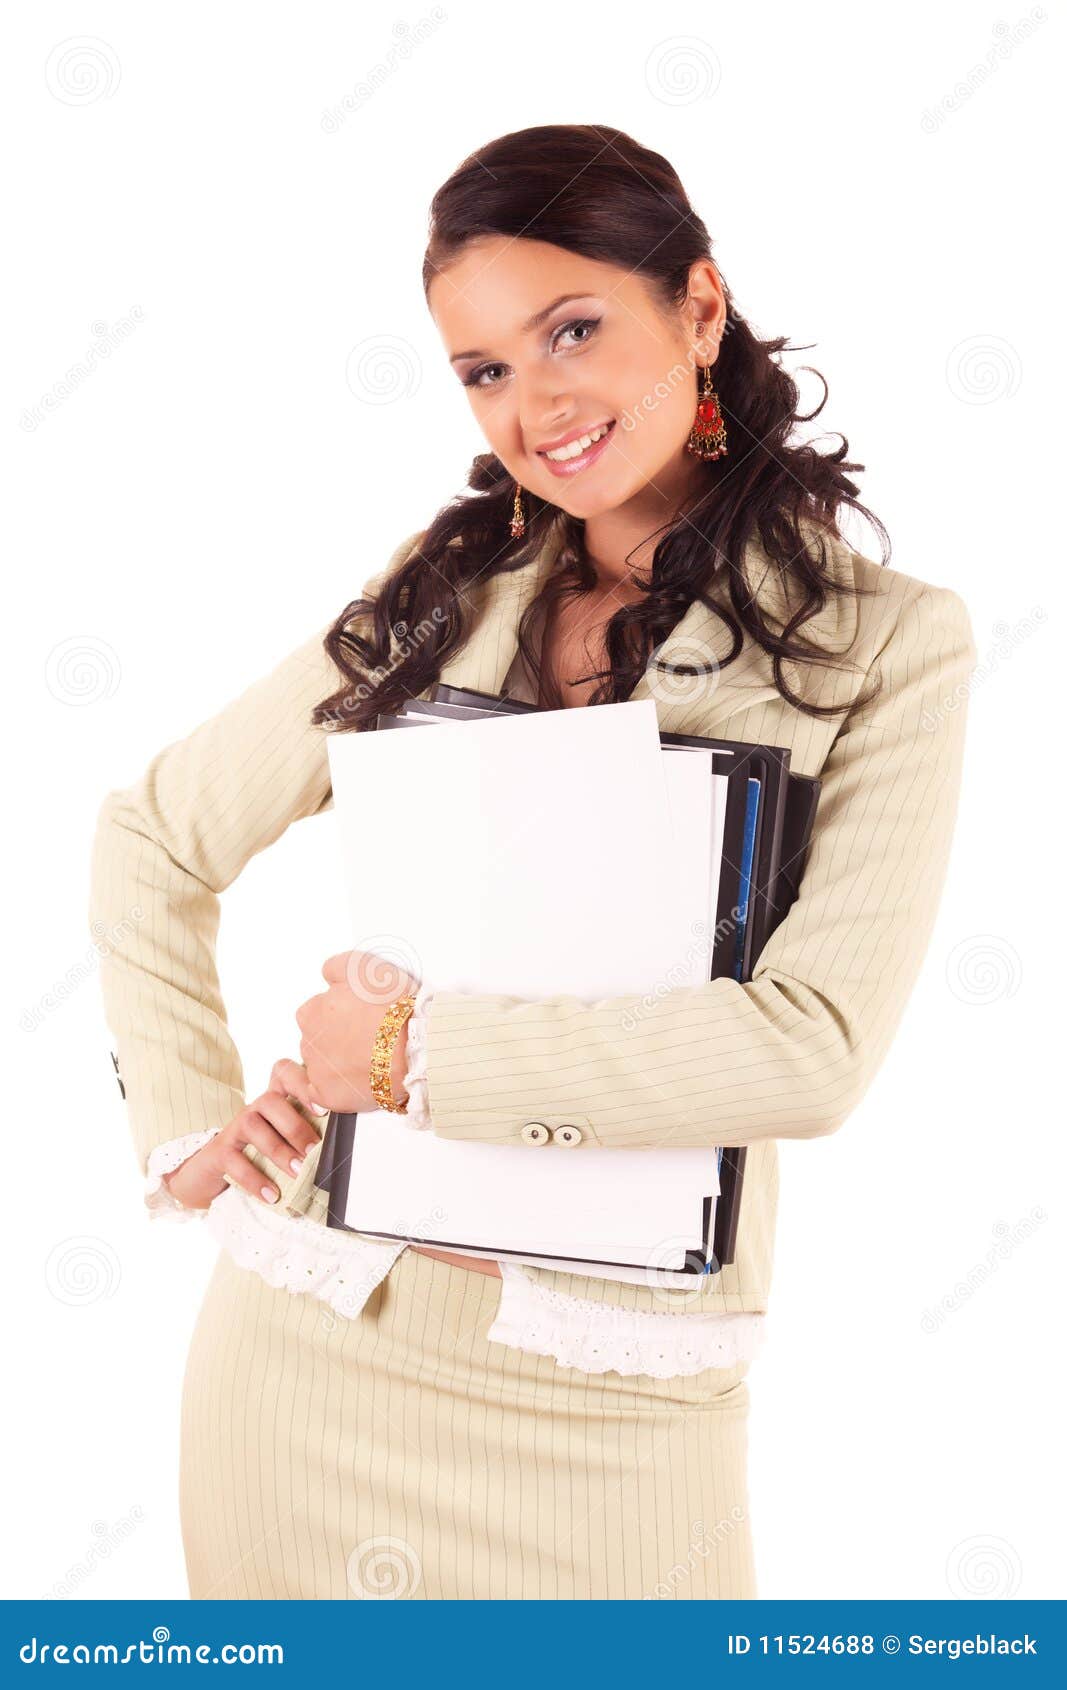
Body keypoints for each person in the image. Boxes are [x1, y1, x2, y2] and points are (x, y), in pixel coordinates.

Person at [89, 123, 976, 1600]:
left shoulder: (885, 641)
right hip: (314, 1352)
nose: (537, 404)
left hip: (621, 1398)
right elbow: (151, 838)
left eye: (573, 329)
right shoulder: (445, 595)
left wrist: (416, 1054)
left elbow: (811, 1052)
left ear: (699, 307)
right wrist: (187, 1126)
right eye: (486, 369)